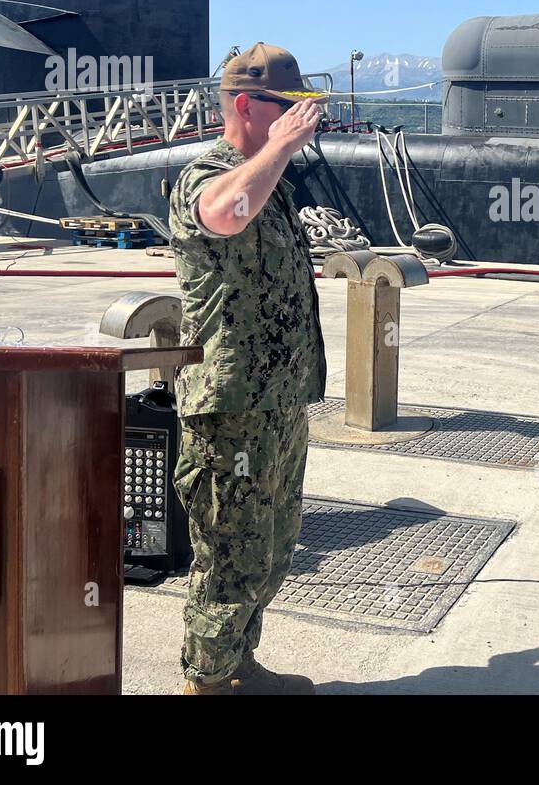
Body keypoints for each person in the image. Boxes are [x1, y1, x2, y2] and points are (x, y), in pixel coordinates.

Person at [168, 42, 328, 695]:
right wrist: (280, 149)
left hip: (279, 403)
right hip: (229, 407)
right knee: (227, 554)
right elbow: (222, 215)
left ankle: (240, 663)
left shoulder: (272, 179)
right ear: (245, 105)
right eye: (287, 108)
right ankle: (205, 681)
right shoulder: (209, 175)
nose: (300, 119)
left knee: (269, 545)